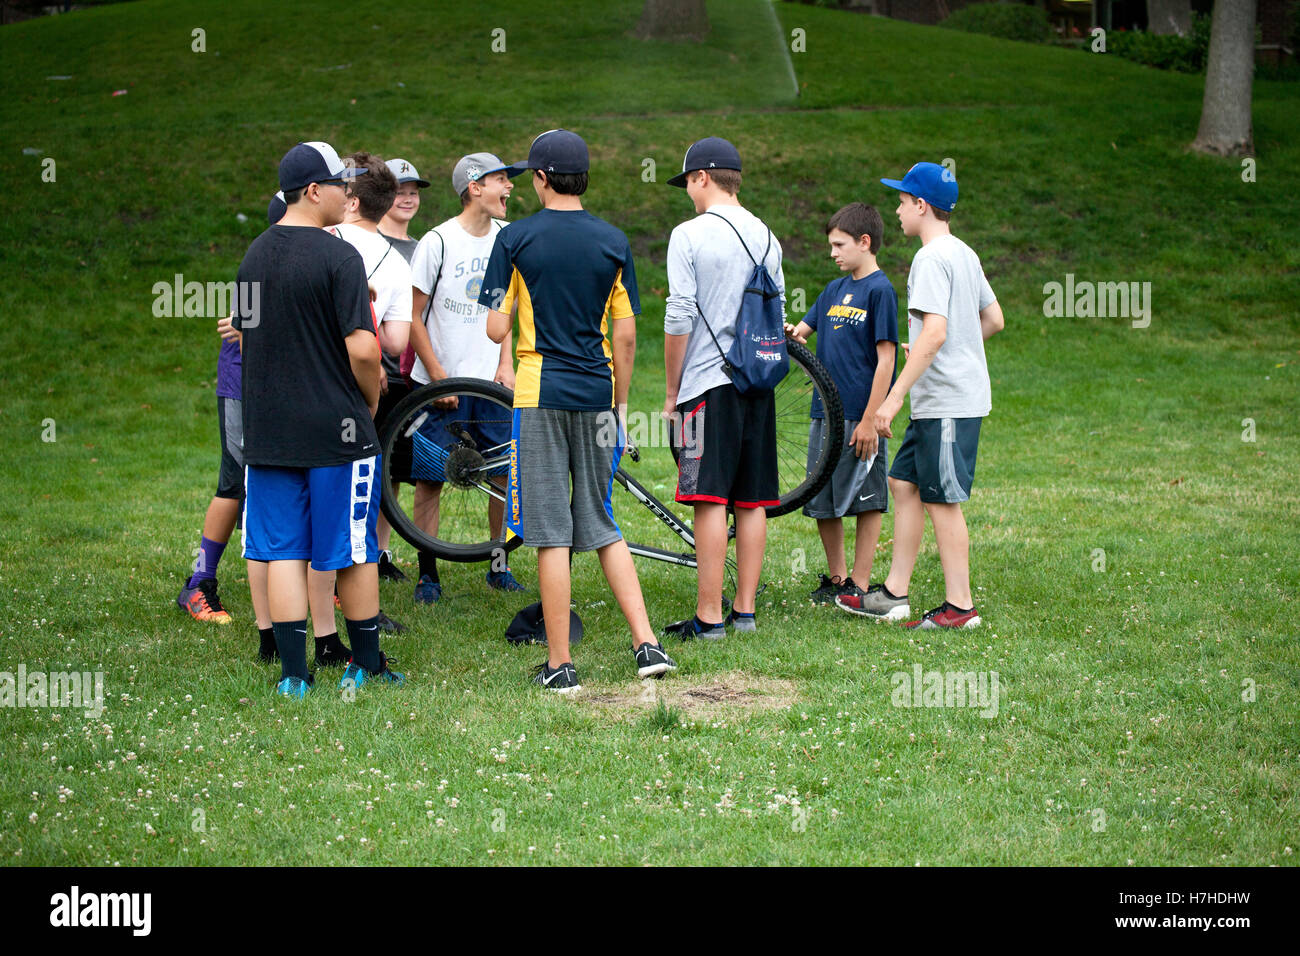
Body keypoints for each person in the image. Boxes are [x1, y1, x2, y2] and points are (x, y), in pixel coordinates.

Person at [481, 128, 675, 692]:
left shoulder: (514, 239)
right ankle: (647, 643)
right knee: (601, 520)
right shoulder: (613, 241)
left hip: (539, 395)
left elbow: (495, 325)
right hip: (596, 395)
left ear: (540, 178)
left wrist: (513, 300)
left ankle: (560, 664)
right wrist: (618, 404)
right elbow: (628, 334)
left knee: (549, 531)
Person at [233, 141, 403, 697]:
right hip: (337, 431)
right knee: (352, 549)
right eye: (339, 186)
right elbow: (363, 349)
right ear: (314, 191)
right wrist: (369, 404)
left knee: (283, 551)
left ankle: (293, 676)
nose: (347, 194)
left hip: (269, 432)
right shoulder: (339, 257)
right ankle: (368, 664)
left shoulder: (255, 253)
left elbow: (247, 336)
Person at [836, 162, 1004, 628]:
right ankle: (894, 593)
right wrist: (944, 347)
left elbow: (934, 334)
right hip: (941, 401)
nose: (898, 209)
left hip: (948, 402)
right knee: (904, 483)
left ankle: (960, 607)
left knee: (942, 501)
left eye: (903, 201)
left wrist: (890, 401)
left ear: (922, 206)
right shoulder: (963, 253)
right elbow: (993, 320)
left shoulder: (930, 259)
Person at [660, 137, 784, 640]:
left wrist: (672, 393)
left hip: (707, 383)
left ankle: (708, 617)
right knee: (752, 500)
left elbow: (679, 315)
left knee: (709, 498)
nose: (688, 193)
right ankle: (745, 612)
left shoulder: (688, 235)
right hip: (758, 380)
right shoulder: (767, 236)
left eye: (688, 181)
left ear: (703, 178)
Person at [407, 152, 524, 603]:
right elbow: (414, 317)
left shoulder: (507, 239)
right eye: (501, 180)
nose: (509, 188)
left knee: (500, 474)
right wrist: (437, 375)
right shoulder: (437, 242)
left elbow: (506, 308)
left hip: (489, 383)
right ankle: (427, 573)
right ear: (474, 187)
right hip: (439, 382)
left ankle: (498, 564)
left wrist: (505, 363)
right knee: (432, 476)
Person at [784, 202, 898, 605]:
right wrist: (790, 333)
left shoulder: (880, 290)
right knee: (823, 496)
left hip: (861, 416)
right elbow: (802, 332)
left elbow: (887, 359)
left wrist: (870, 420)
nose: (832, 253)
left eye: (839, 244)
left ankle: (861, 584)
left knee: (868, 497)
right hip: (824, 414)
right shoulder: (832, 291)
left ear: (864, 242)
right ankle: (837, 578)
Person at [328, 152, 413, 621]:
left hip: (301, 378)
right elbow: (398, 342)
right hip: (358, 386)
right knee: (357, 490)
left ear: (352, 199)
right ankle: (355, 599)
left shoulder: (318, 239)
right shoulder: (397, 263)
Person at [378, 157, 428, 263]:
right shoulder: (368, 240)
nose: (408, 200)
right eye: (399, 193)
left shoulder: (421, 251)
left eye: (413, 193)